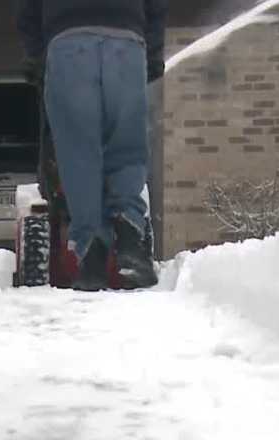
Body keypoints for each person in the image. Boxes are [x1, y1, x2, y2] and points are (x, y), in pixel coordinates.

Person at [16, 0, 167, 291]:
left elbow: (26, 7)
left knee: (79, 154)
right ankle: (131, 238)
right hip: (127, 40)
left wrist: (36, 55)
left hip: (68, 43)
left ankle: (92, 256)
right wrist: (154, 53)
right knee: (127, 145)